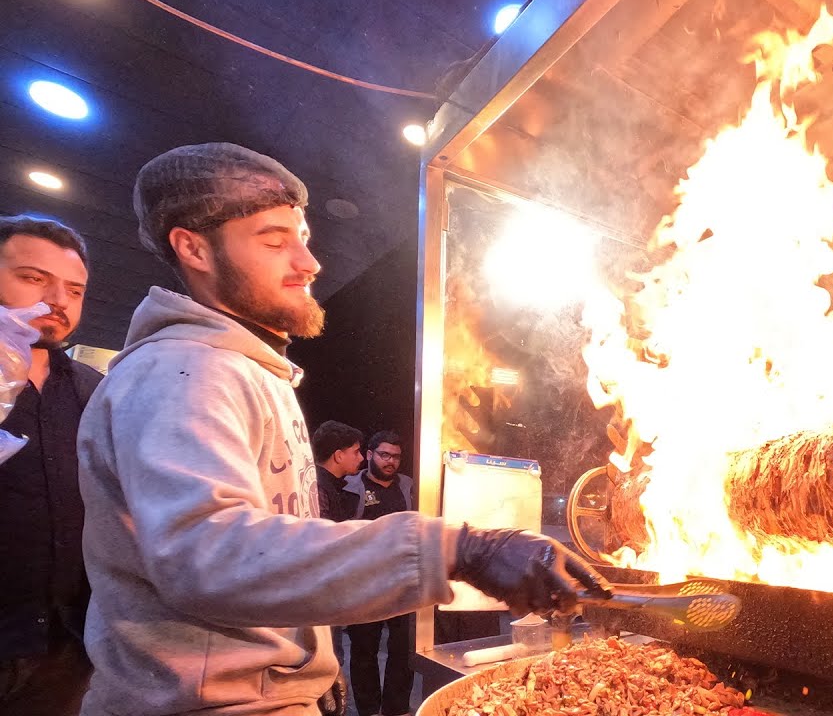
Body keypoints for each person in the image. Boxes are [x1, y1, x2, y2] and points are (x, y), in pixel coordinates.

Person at [77, 142, 611, 716]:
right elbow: (207, 555)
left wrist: (310, 666)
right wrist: (459, 547)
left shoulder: (246, 371)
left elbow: (274, 552)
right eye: (274, 240)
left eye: (302, 239)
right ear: (194, 248)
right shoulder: (183, 371)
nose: (308, 263)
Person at [0, 216, 103, 716]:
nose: (59, 299)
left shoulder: (94, 388)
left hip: (66, 642)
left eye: (75, 289)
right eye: (33, 278)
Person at [341, 431, 414, 716]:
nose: (391, 461)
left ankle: (395, 709)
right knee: (364, 652)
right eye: (385, 455)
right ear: (370, 454)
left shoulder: (408, 487)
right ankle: (369, 709)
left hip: (402, 583)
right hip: (366, 584)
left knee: (402, 652)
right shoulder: (350, 488)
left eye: (396, 456)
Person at [311, 420, 364, 522]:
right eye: (356, 452)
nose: (361, 458)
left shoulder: (326, 485)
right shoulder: (319, 489)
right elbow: (322, 534)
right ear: (339, 456)